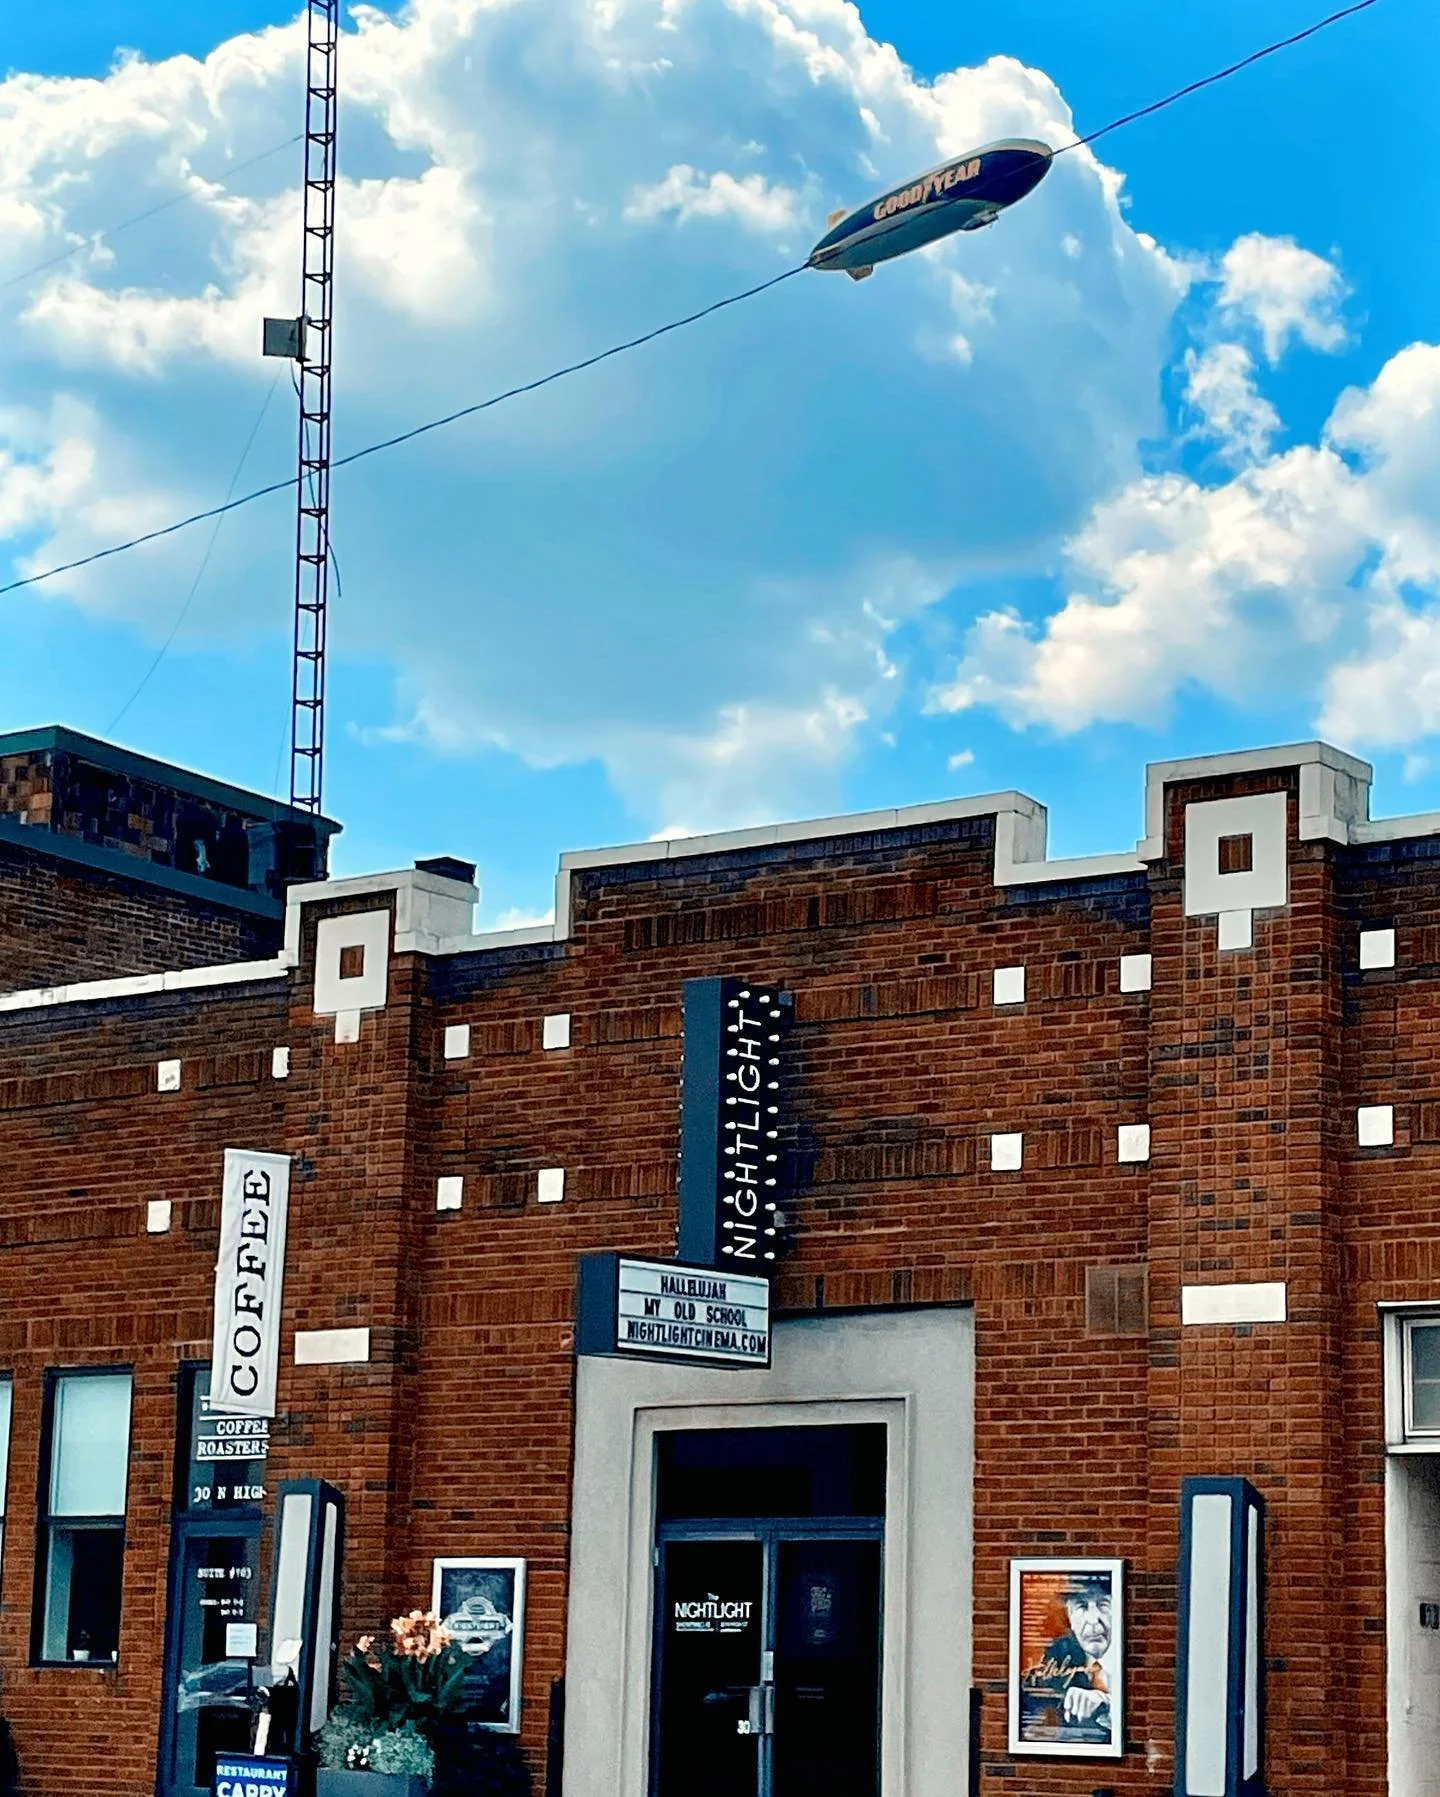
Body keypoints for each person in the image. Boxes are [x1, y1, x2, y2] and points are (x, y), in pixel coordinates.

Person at [1018, 1572, 1115, 1745]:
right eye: (1081, 1606)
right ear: (1070, 1615)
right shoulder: (1059, 1653)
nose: (1093, 1620)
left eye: (1103, 1604)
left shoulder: (1137, 1654)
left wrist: (1107, 1705)